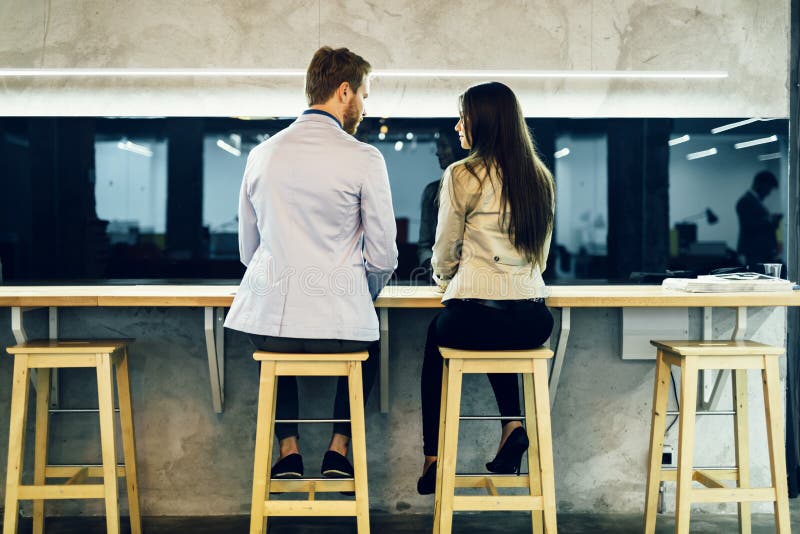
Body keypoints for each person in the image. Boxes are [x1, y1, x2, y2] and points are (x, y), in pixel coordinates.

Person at [224, 46, 398, 480]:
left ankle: (288, 451)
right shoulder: (364, 158)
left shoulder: (262, 154)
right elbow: (384, 256)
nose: (364, 106)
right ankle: (339, 450)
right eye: (364, 95)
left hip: (271, 324)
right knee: (370, 342)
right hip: (339, 329)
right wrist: (359, 293)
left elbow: (247, 252)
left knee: (274, 342)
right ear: (345, 91)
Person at [417, 82, 555, 495]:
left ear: (483, 121)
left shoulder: (461, 174)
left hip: (478, 316)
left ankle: (434, 458)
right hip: (533, 320)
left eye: (463, 117)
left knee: (446, 331)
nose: (457, 126)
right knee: (496, 323)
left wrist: (444, 280)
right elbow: (541, 258)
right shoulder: (540, 177)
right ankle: (512, 425)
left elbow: (445, 249)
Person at [416, 132, 462, 281]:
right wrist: (432, 267)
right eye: (438, 146)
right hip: (440, 277)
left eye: (443, 146)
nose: (437, 152)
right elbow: (424, 244)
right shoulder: (432, 192)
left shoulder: (477, 189)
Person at [736, 170, 782, 267]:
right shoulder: (745, 201)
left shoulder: (754, 201)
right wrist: (770, 221)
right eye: (769, 188)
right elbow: (748, 225)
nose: (769, 193)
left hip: (761, 252)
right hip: (756, 252)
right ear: (759, 184)